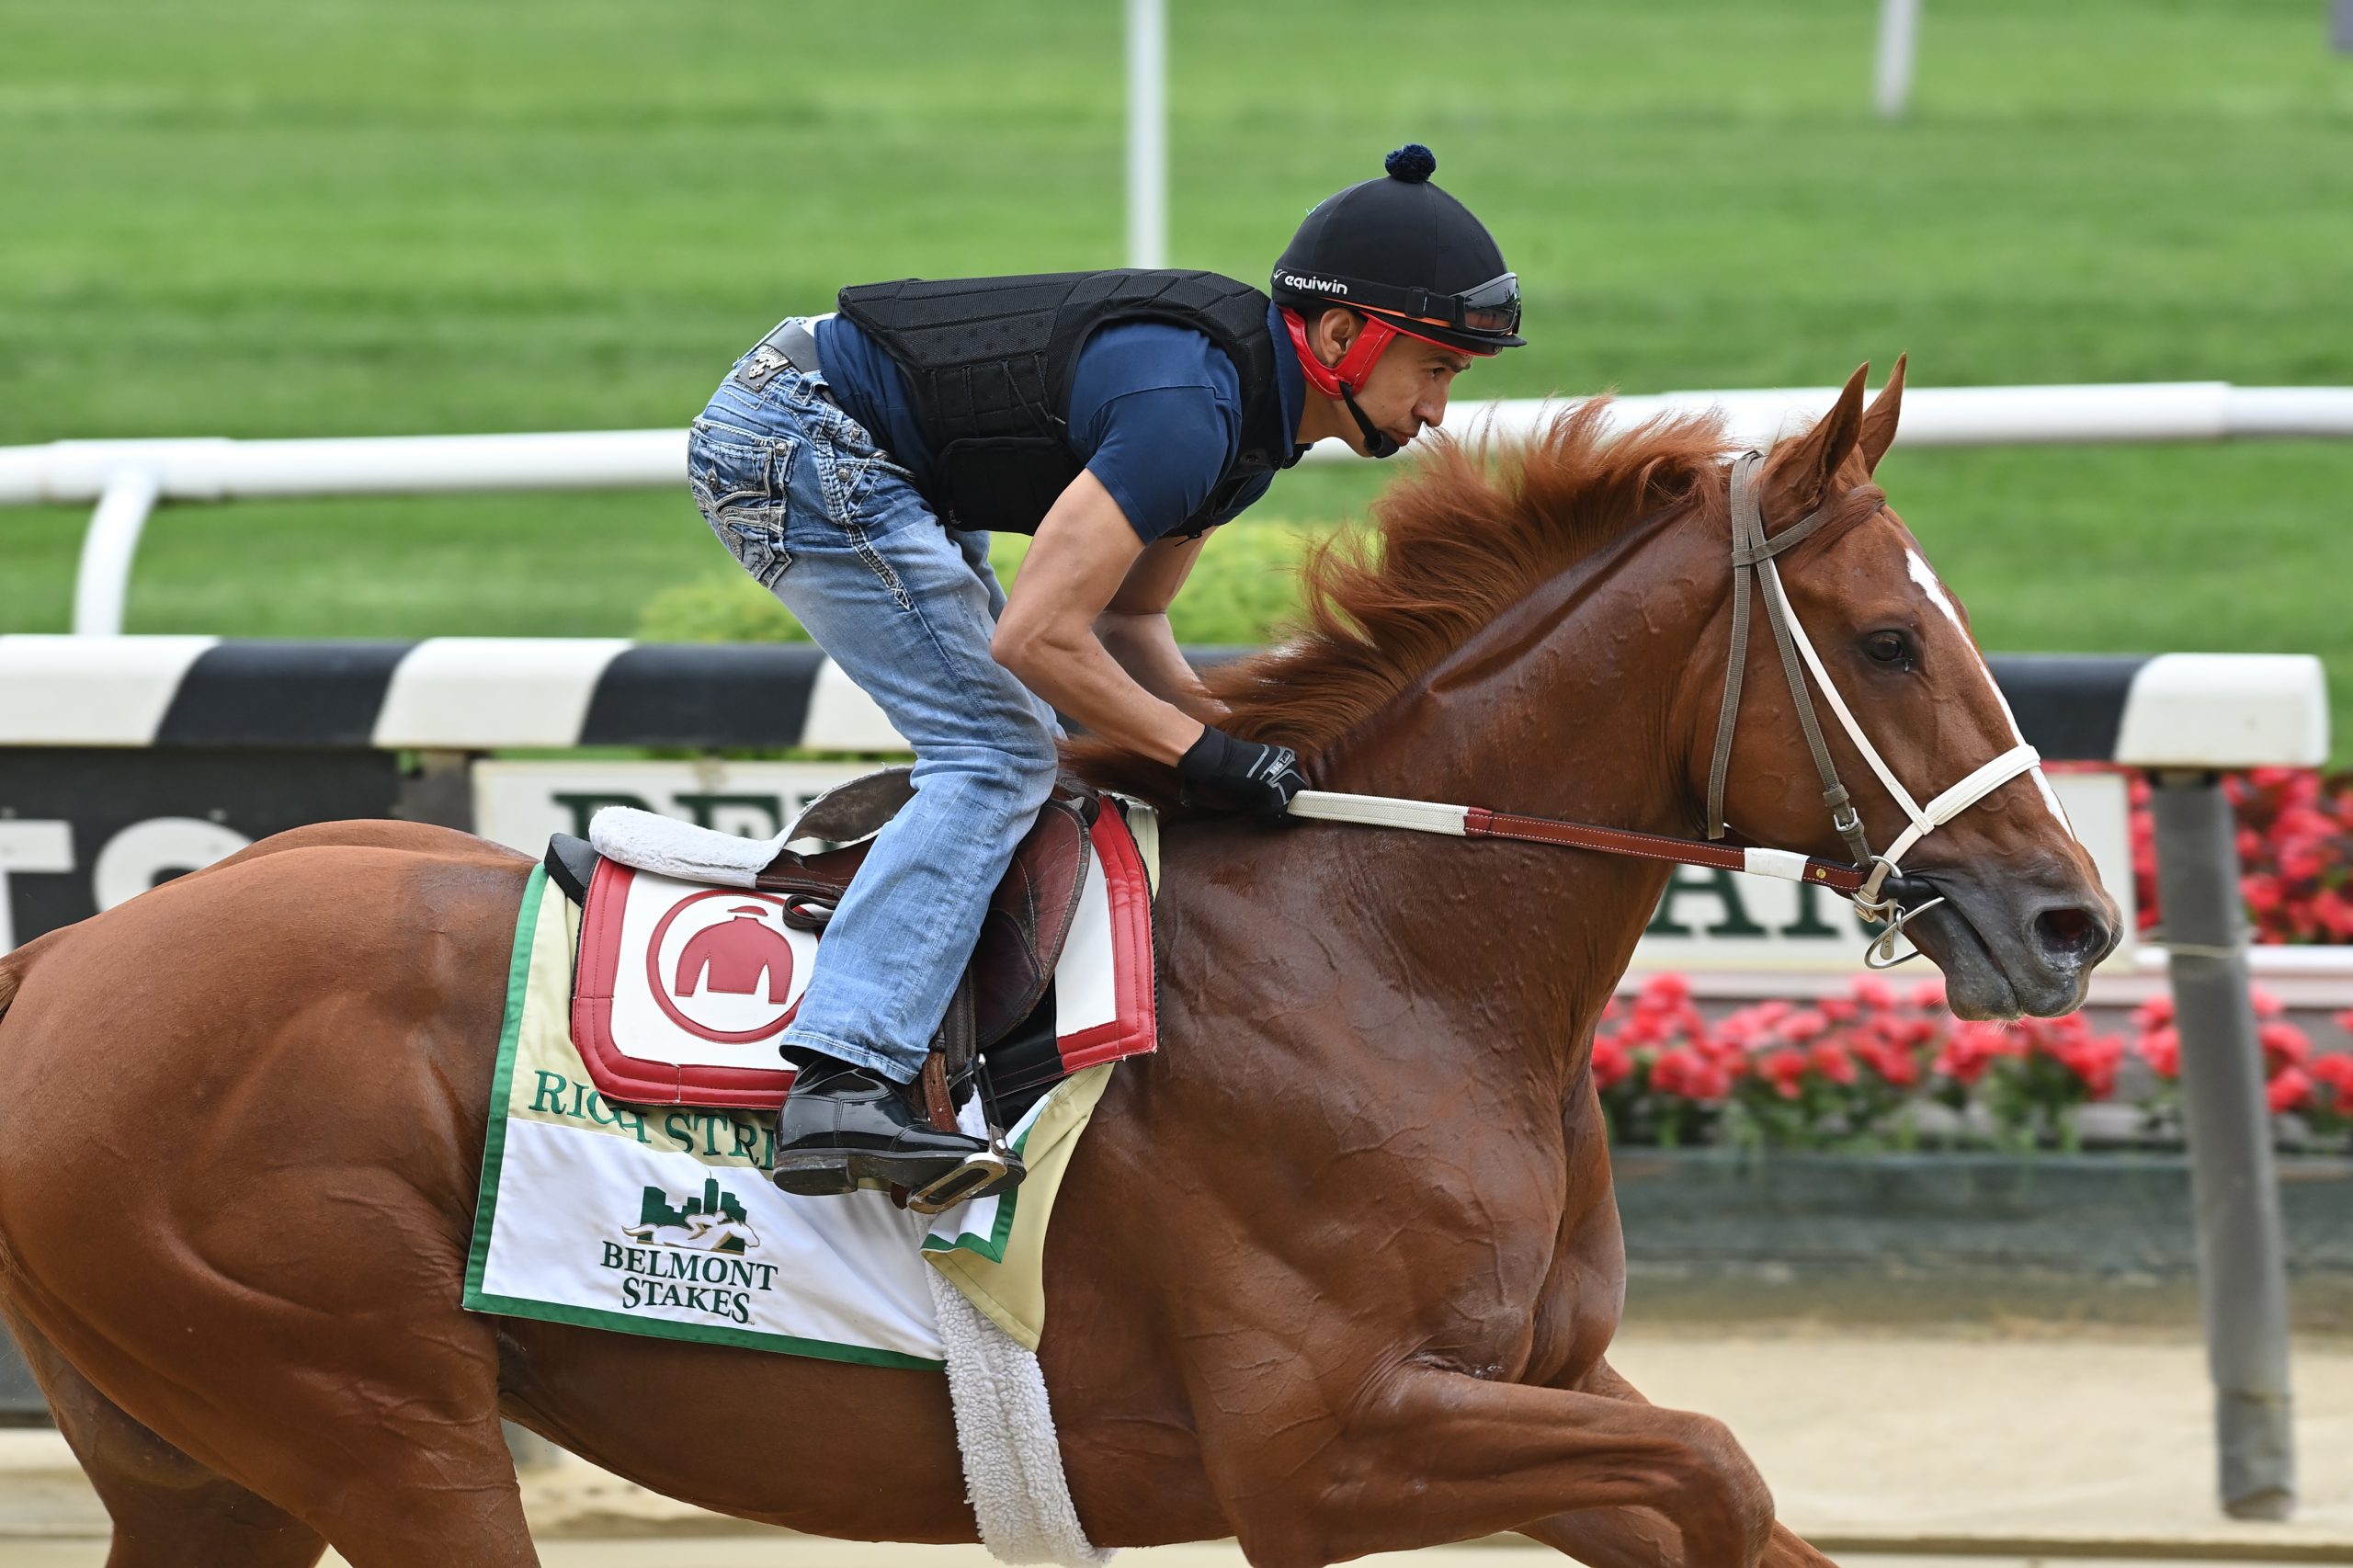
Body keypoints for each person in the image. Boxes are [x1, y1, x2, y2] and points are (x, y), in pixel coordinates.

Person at [686, 143, 1524, 1199]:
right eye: (1436, 367)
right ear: (1342, 335)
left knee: (1030, 738)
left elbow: (1131, 620)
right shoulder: (1191, 416)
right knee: (996, 752)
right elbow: (1035, 637)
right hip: (797, 435)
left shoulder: (1250, 432)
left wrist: (1258, 752)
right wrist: (1203, 753)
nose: (1441, 408)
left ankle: (948, 1039)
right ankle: (843, 1081)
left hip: (881, 455)